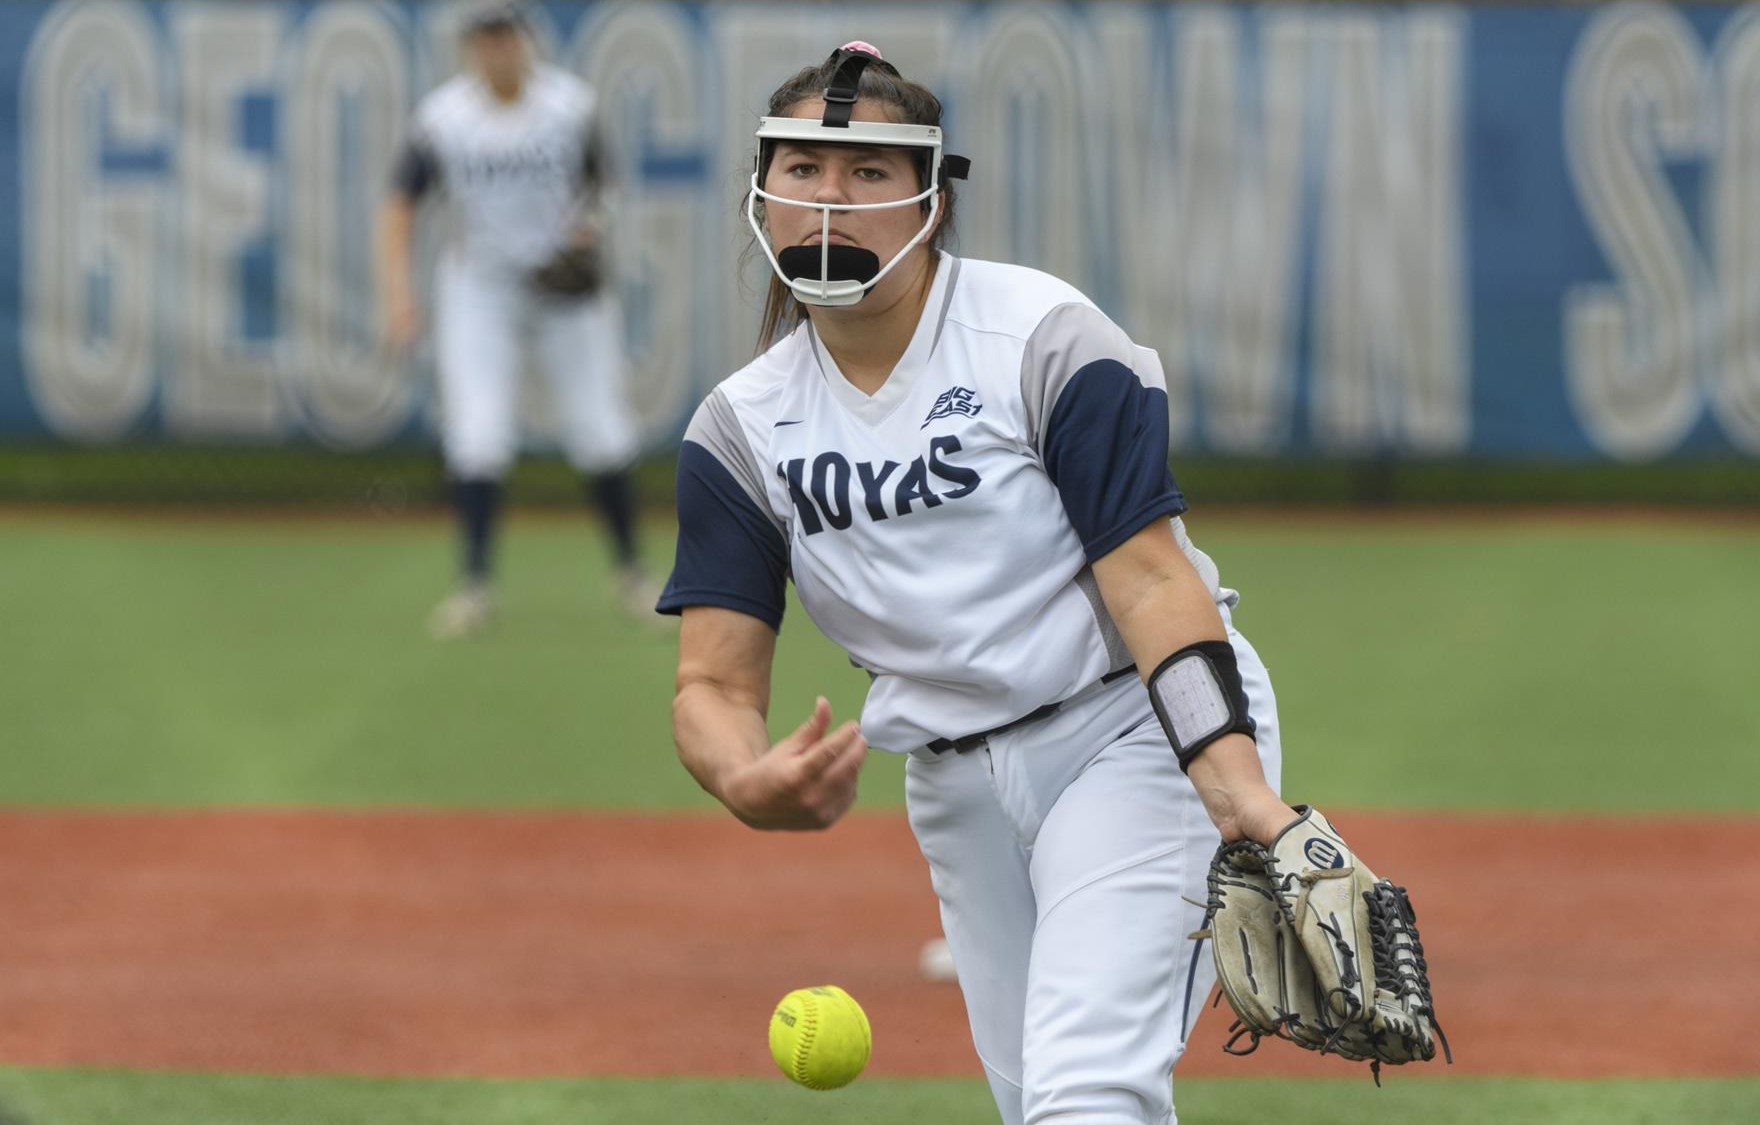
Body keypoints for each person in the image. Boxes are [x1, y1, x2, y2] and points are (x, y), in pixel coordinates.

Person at [655, 42, 1338, 1123]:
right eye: (801, 169)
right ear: (760, 193)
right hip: (955, 785)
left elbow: (1155, 583)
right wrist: (743, 777)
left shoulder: (1041, 340)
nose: (829, 198)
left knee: (1087, 1088)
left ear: (929, 195)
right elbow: (712, 685)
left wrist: (1233, 783)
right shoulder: (738, 428)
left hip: (1131, 733)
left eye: (868, 171)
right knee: (1036, 1104)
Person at [378, 2, 653, 639]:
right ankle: (474, 587)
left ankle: (633, 575)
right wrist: (399, 296)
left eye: (506, 35)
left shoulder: (570, 106)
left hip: (563, 288)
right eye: (485, 38)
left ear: (527, 40)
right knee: (478, 431)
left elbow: (605, 187)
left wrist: (589, 230)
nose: (497, 49)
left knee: (601, 427)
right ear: (470, 48)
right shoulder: (444, 119)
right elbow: (399, 206)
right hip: (483, 289)